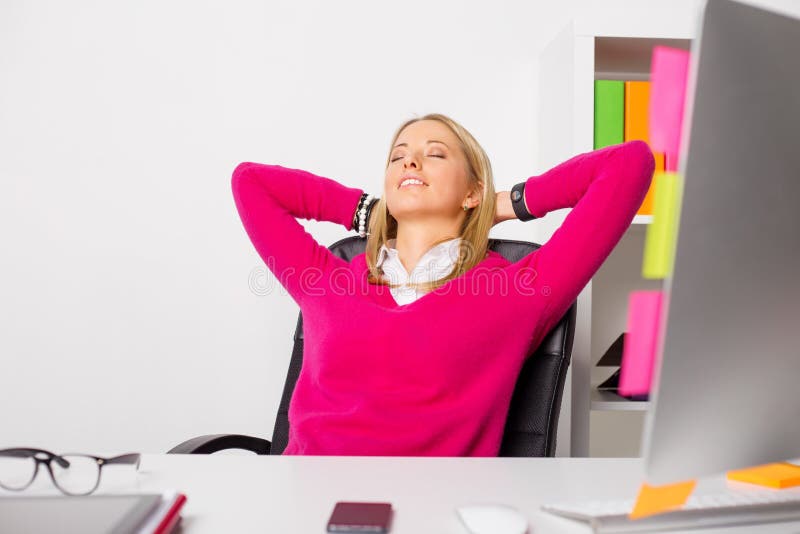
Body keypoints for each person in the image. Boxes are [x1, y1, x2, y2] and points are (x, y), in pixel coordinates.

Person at [231, 113, 654, 456]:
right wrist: (368, 211)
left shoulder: (516, 290)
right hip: (305, 498)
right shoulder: (329, 278)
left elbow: (629, 163)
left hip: (435, 507)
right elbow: (250, 181)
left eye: (434, 153)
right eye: (398, 157)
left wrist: (505, 203)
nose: (410, 163)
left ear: (472, 192)